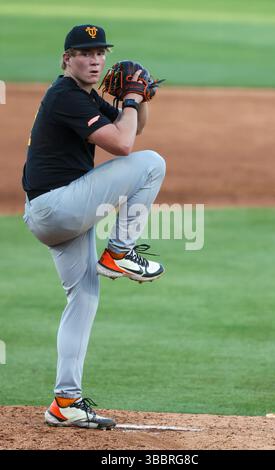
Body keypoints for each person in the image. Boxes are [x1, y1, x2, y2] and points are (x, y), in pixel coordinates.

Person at [22, 24, 166, 429]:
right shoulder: (66, 96)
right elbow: (123, 146)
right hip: (59, 207)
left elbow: (132, 127)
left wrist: (139, 99)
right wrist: (133, 96)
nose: (96, 59)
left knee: (83, 298)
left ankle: (65, 402)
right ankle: (119, 251)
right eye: (85, 53)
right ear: (66, 59)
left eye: (100, 52)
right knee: (152, 163)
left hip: (54, 215)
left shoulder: (84, 97)